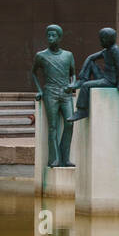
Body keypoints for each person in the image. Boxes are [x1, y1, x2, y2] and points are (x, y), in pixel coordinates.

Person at [31, 24, 76, 167]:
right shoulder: (41, 55)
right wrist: (40, 90)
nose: (50, 38)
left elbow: (73, 74)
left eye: (53, 35)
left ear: (60, 37)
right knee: (53, 126)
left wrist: (72, 84)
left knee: (70, 123)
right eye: (48, 35)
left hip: (65, 93)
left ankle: (65, 156)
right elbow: (33, 73)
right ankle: (54, 158)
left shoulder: (68, 55)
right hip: (50, 92)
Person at [71, 27, 119, 119]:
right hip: (104, 77)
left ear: (108, 40)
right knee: (91, 63)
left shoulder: (115, 51)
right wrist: (82, 75)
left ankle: (82, 111)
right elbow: (90, 57)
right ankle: (82, 80)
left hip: (110, 81)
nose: (100, 42)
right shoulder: (106, 51)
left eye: (102, 39)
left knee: (85, 85)